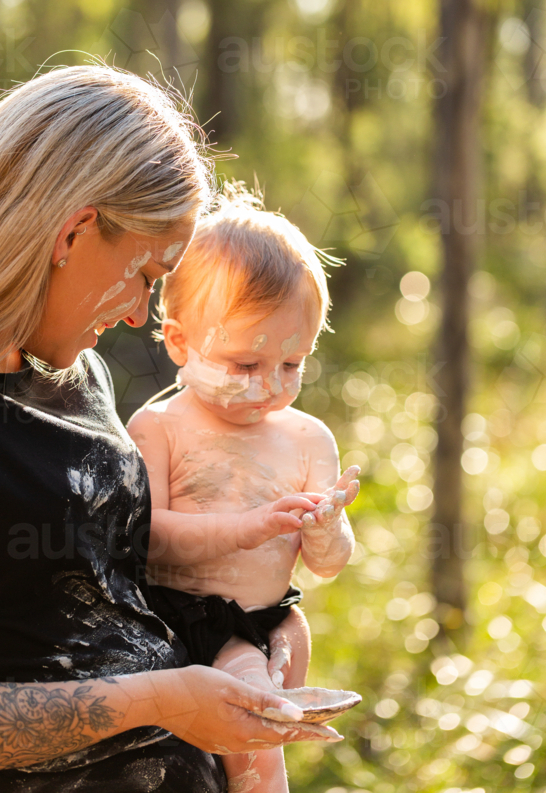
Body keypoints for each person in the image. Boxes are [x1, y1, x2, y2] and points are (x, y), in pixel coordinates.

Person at [0, 67, 337, 792]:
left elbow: (112, 595)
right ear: (73, 232)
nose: (139, 315)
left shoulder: (80, 377)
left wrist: (245, 638)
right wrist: (162, 700)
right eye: (146, 273)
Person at [127, 185, 360, 792]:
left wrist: (328, 528)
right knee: (256, 760)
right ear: (180, 342)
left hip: (271, 623)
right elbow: (147, 537)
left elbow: (328, 566)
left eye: (292, 364)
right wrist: (250, 527)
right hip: (188, 621)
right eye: (244, 365)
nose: (269, 388)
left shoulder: (308, 439)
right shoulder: (160, 427)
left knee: (252, 724)